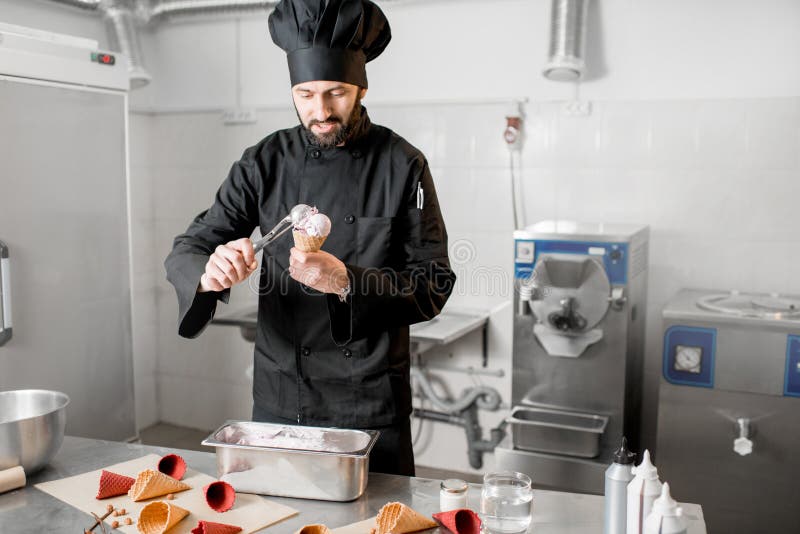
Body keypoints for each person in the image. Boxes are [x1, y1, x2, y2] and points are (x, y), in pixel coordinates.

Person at [164, 0, 455, 477]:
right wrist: (209, 271)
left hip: (371, 408)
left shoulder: (403, 164)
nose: (320, 112)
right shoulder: (264, 162)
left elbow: (433, 283)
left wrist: (346, 281)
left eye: (336, 93)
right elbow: (190, 246)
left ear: (361, 86)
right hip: (282, 400)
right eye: (305, 94)